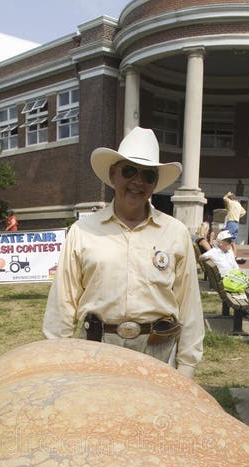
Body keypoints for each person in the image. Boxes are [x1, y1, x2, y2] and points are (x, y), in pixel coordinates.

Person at [43, 127, 204, 377]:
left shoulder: (176, 232)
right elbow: (62, 302)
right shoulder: (82, 231)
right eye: (129, 171)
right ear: (113, 174)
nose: (137, 182)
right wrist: (56, 359)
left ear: (155, 183)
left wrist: (187, 365)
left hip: (158, 353)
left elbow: (189, 304)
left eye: (148, 175)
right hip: (96, 351)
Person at [222, 191, 246, 256]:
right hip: (236, 224)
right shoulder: (238, 204)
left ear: (230, 198)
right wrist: (238, 216)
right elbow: (244, 212)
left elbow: (224, 198)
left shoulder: (231, 202)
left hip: (231, 222)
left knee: (227, 239)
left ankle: (226, 254)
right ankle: (234, 255)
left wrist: (227, 194)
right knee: (233, 241)